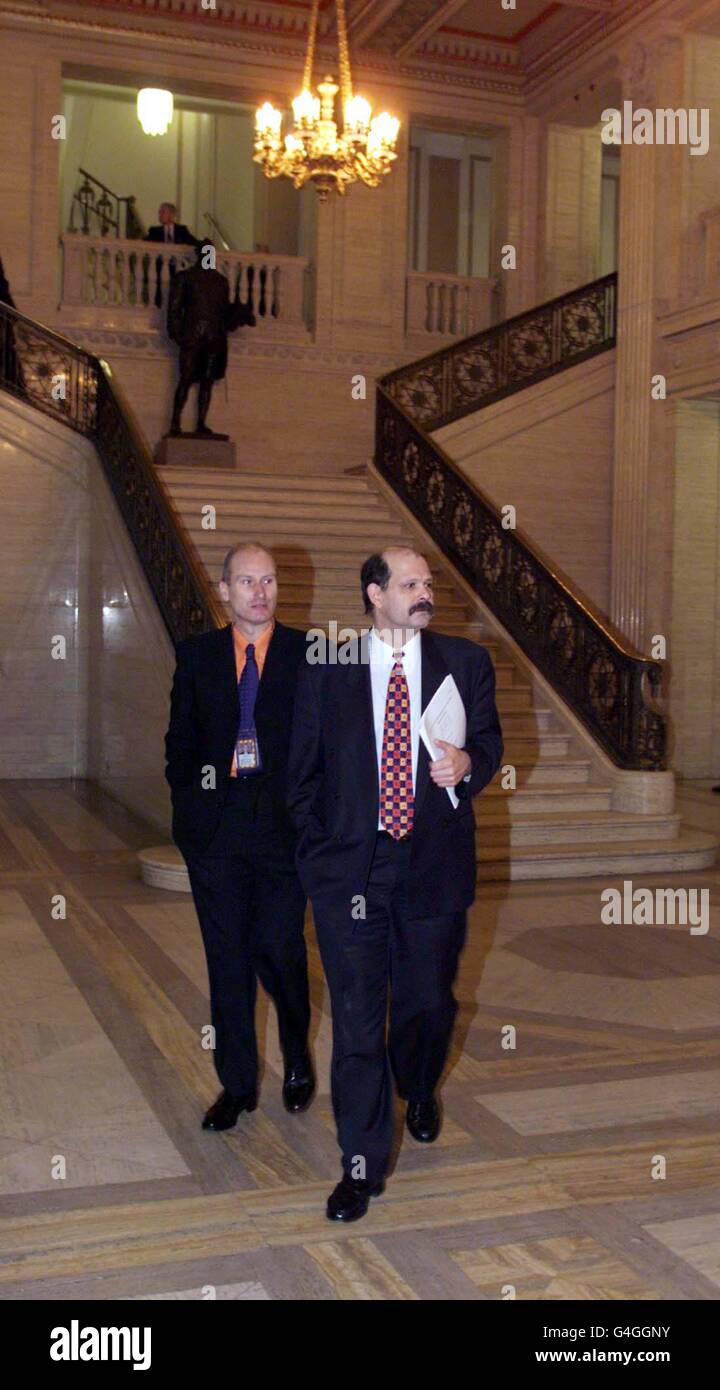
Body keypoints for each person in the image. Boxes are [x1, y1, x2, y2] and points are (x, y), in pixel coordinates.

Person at [288, 547, 503, 1221]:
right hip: (353, 871)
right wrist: (320, 857)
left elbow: (490, 744)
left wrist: (468, 763)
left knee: (427, 1004)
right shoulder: (327, 671)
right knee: (355, 1020)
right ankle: (361, 1165)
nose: (424, 592)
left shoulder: (465, 664)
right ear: (375, 595)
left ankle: (420, 1082)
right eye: (409, 583)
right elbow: (300, 776)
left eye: (428, 583)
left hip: (433, 868)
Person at [165, 543, 314, 1131]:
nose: (260, 591)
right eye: (247, 581)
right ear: (224, 591)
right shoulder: (197, 656)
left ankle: (297, 1049)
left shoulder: (310, 655)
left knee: (278, 947)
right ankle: (236, 1083)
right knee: (226, 957)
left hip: (283, 829)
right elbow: (179, 744)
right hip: (217, 829)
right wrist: (190, 815)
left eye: (269, 580)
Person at [166, 240, 252, 436]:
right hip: (193, 336)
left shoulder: (221, 282)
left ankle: (201, 423)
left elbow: (223, 311)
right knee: (185, 380)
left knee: (207, 382)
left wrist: (238, 313)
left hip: (215, 337)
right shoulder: (185, 278)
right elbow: (174, 309)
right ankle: (175, 421)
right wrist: (177, 334)